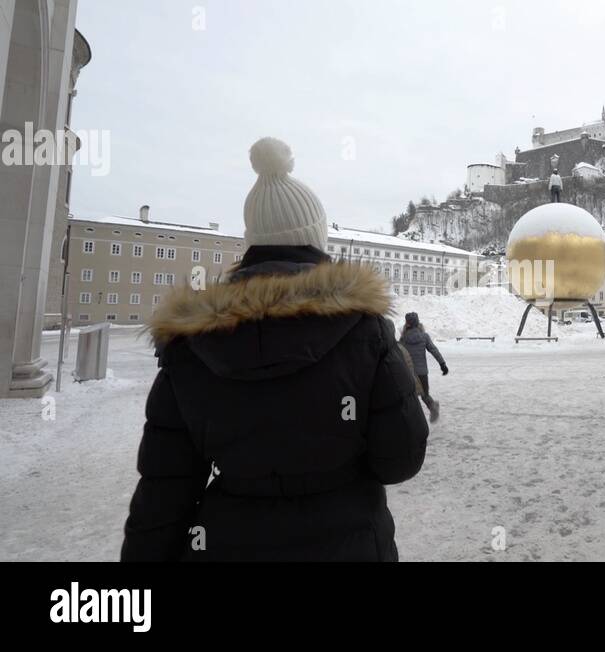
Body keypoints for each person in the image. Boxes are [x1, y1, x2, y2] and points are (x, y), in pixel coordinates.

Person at [120, 138, 429, 562]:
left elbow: (164, 488)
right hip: (351, 543)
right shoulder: (365, 329)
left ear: (252, 242)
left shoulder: (192, 342)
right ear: (316, 238)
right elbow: (401, 459)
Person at [400, 312, 448, 422]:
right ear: (418, 323)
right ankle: (432, 406)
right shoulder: (424, 336)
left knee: (410, 396)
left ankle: (412, 419)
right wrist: (442, 364)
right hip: (422, 372)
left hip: (409, 373)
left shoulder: (403, 338)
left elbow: (399, 354)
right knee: (425, 394)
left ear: (407, 323)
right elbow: (434, 350)